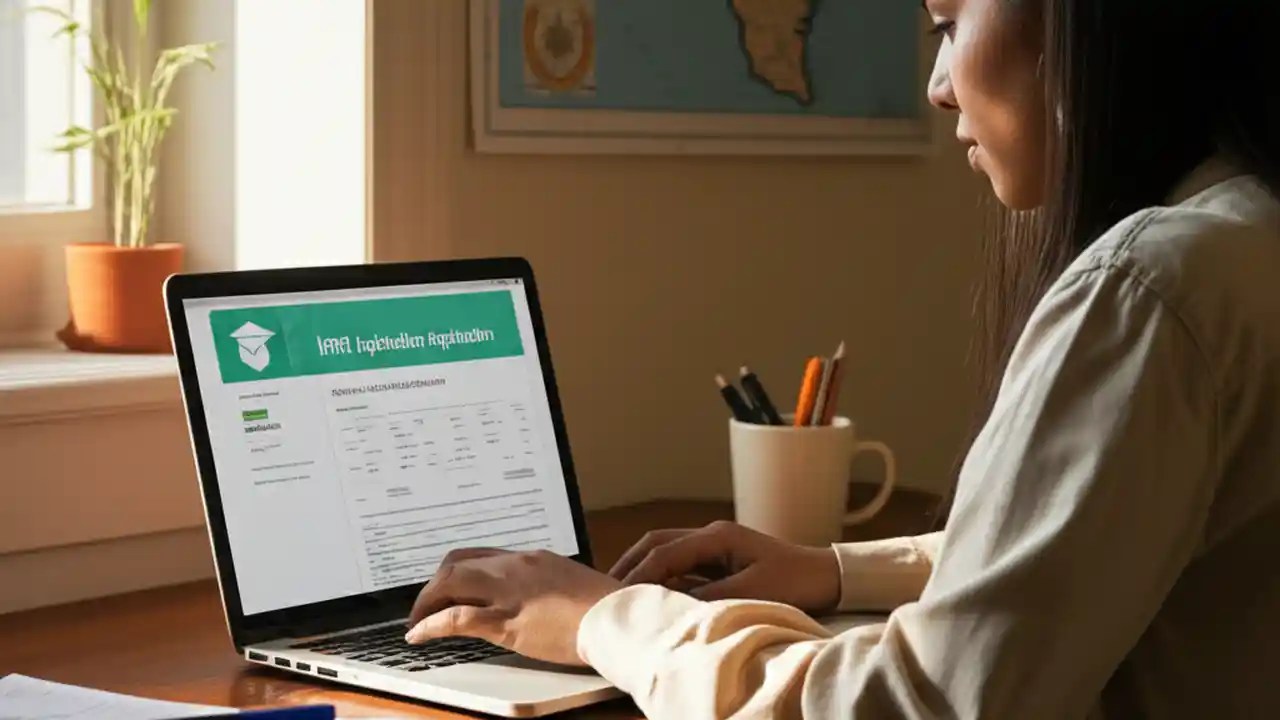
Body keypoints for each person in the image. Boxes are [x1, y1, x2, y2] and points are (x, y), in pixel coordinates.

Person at [404, 0, 1280, 716]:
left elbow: (921, 704)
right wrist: (833, 568)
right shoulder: (1246, 239)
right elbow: (1086, 557)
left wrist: (608, 619)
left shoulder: (1147, 289)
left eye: (946, 24)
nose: (939, 86)